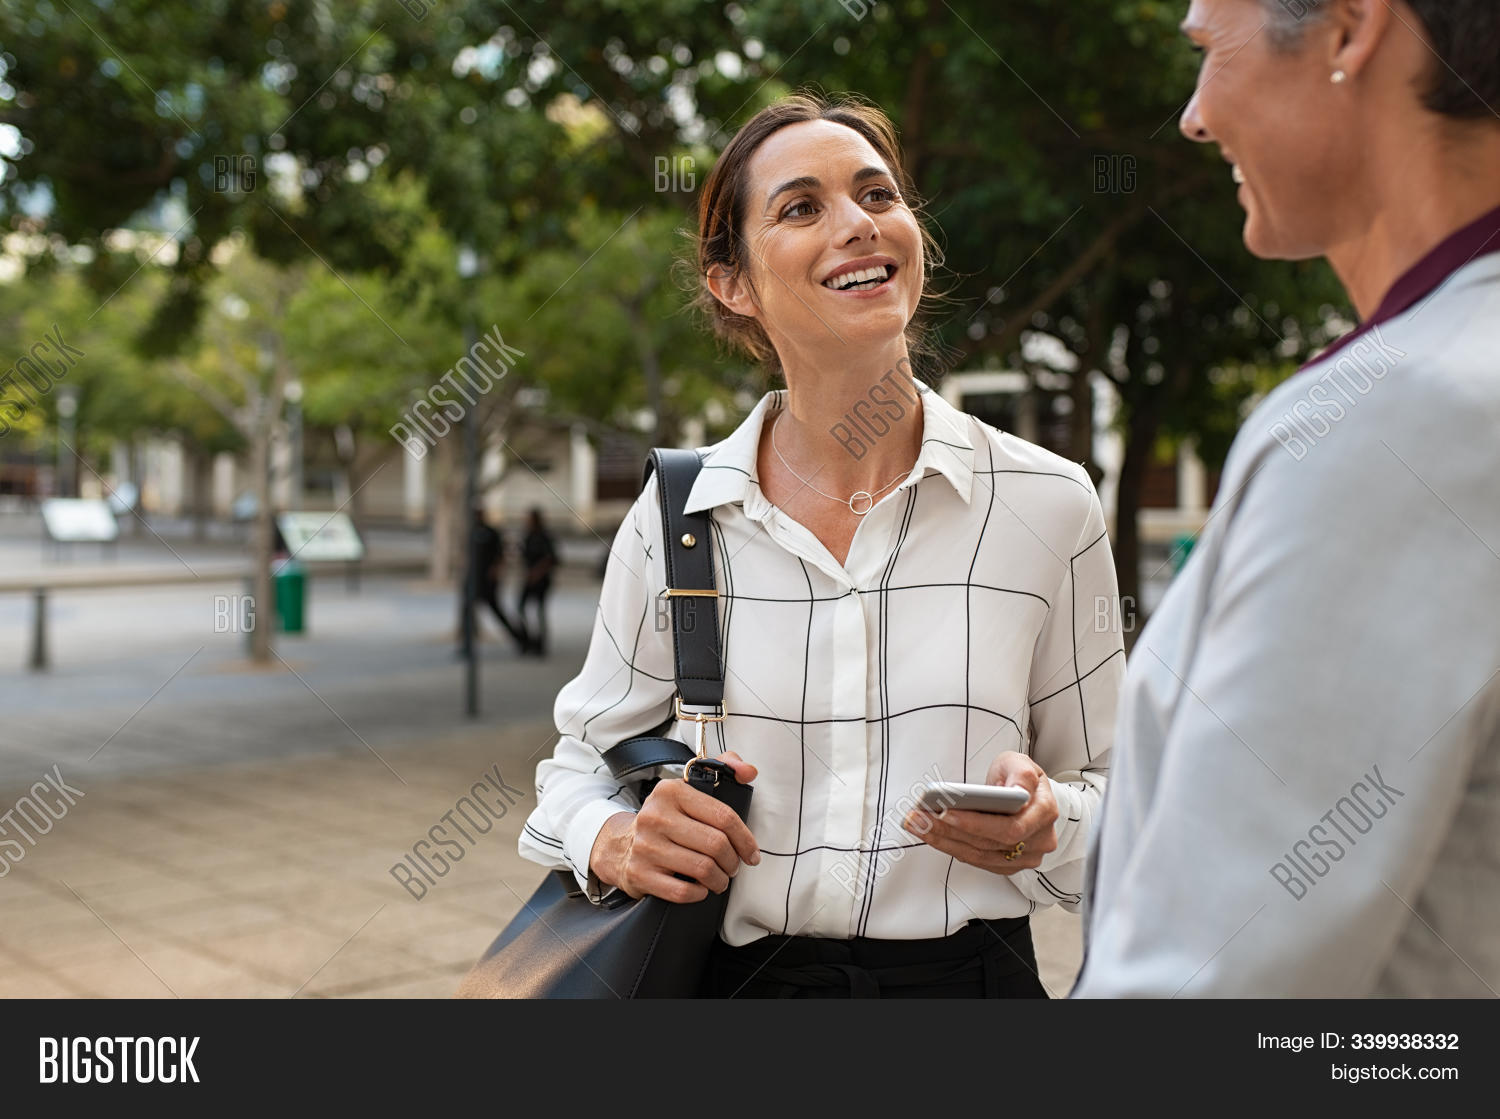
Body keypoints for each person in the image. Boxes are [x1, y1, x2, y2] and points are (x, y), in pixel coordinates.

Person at [519, 92, 1125, 998]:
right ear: (733, 283)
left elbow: (1120, 796)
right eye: (801, 207)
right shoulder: (680, 513)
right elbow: (579, 763)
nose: (857, 225)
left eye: (878, 195)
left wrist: (1052, 826)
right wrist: (616, 839)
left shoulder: (1050, 503)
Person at [1075, 0, 1500, 997]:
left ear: (1350, 30)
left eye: (1209, 51)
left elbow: (1213, 982)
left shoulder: (1404, 414)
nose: (1194, 114)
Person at [470, 507, 527, 654]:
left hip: (489, 581)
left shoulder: (491, 533)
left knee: (497, 612)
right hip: (476, 579)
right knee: (469, 611)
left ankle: (521, 639)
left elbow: (501, 556)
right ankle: (469, 643)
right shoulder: (472, 532)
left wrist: (496, 572)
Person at [516, 507, 557, 657]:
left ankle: (540, 644)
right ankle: (528, 640)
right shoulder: (527, 536)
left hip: (541, 580)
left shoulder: (544, 536)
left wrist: (537, 572)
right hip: (529, 578)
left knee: (539, 611)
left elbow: (551, 558)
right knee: (521, 608)